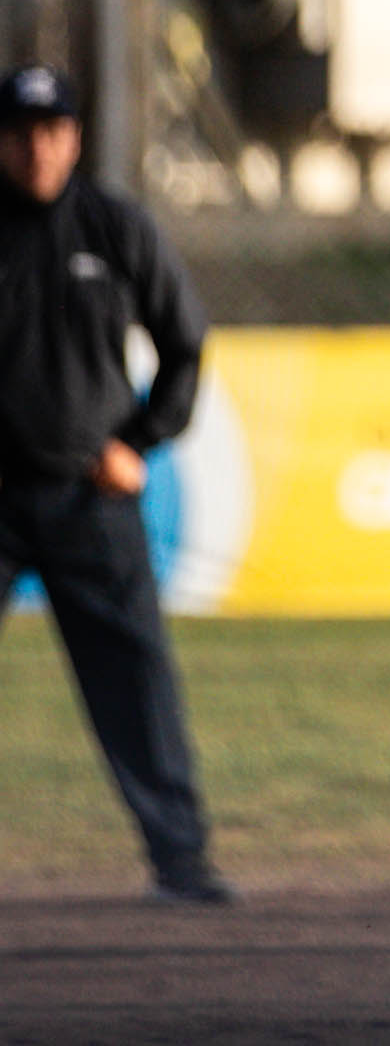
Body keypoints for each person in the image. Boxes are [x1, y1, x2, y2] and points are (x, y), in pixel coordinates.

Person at [0, 64, 233, 905]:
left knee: (135, 680)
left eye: (53, 130)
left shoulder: (112, 225)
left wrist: (139, 440)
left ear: (75, 136)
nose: (38, 148)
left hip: (88, 499)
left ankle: (182, 860)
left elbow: (185, 341)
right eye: (21, 132)